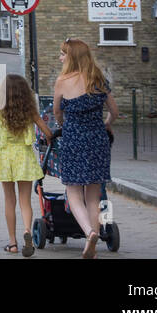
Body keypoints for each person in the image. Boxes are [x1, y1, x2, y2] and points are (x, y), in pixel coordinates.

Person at [54, 38, 119, 258]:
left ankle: (90, 232)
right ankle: (93, 243)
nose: (60, 57)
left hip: (73, 140)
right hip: (97, 140)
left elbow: (57, 112)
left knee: (73, 193)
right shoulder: (98, 80)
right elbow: (114, 112)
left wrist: (66, 126)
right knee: (94, 195)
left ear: (71, 56)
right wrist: (106, 124)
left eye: (63, 54)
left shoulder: (62, 81)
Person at [0, 73, 53, 256]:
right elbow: (48, 133)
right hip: (24, 156)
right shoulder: (31, 113)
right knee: (25, 200)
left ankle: (12, 243)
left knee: (9, 200)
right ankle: (27, 231)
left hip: (6, 157)